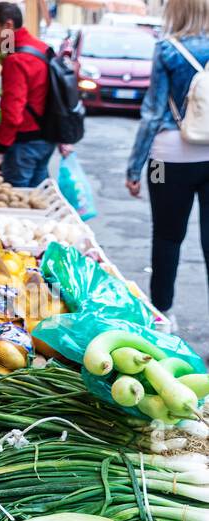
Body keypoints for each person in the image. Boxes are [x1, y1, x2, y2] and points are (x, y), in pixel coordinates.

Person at [126, 0, 209, 316]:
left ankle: (161, 318)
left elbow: (151, 114)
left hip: (166, 160)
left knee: (166, 237)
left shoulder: (167, 49)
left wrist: (134, 168)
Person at [0, 2, 71, 187]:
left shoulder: (16, 60)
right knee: (37, 198)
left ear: (7, 26)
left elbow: (12, 114)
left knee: (18, 202)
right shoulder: (41, 48)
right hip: (46, 140)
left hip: (24, 144)